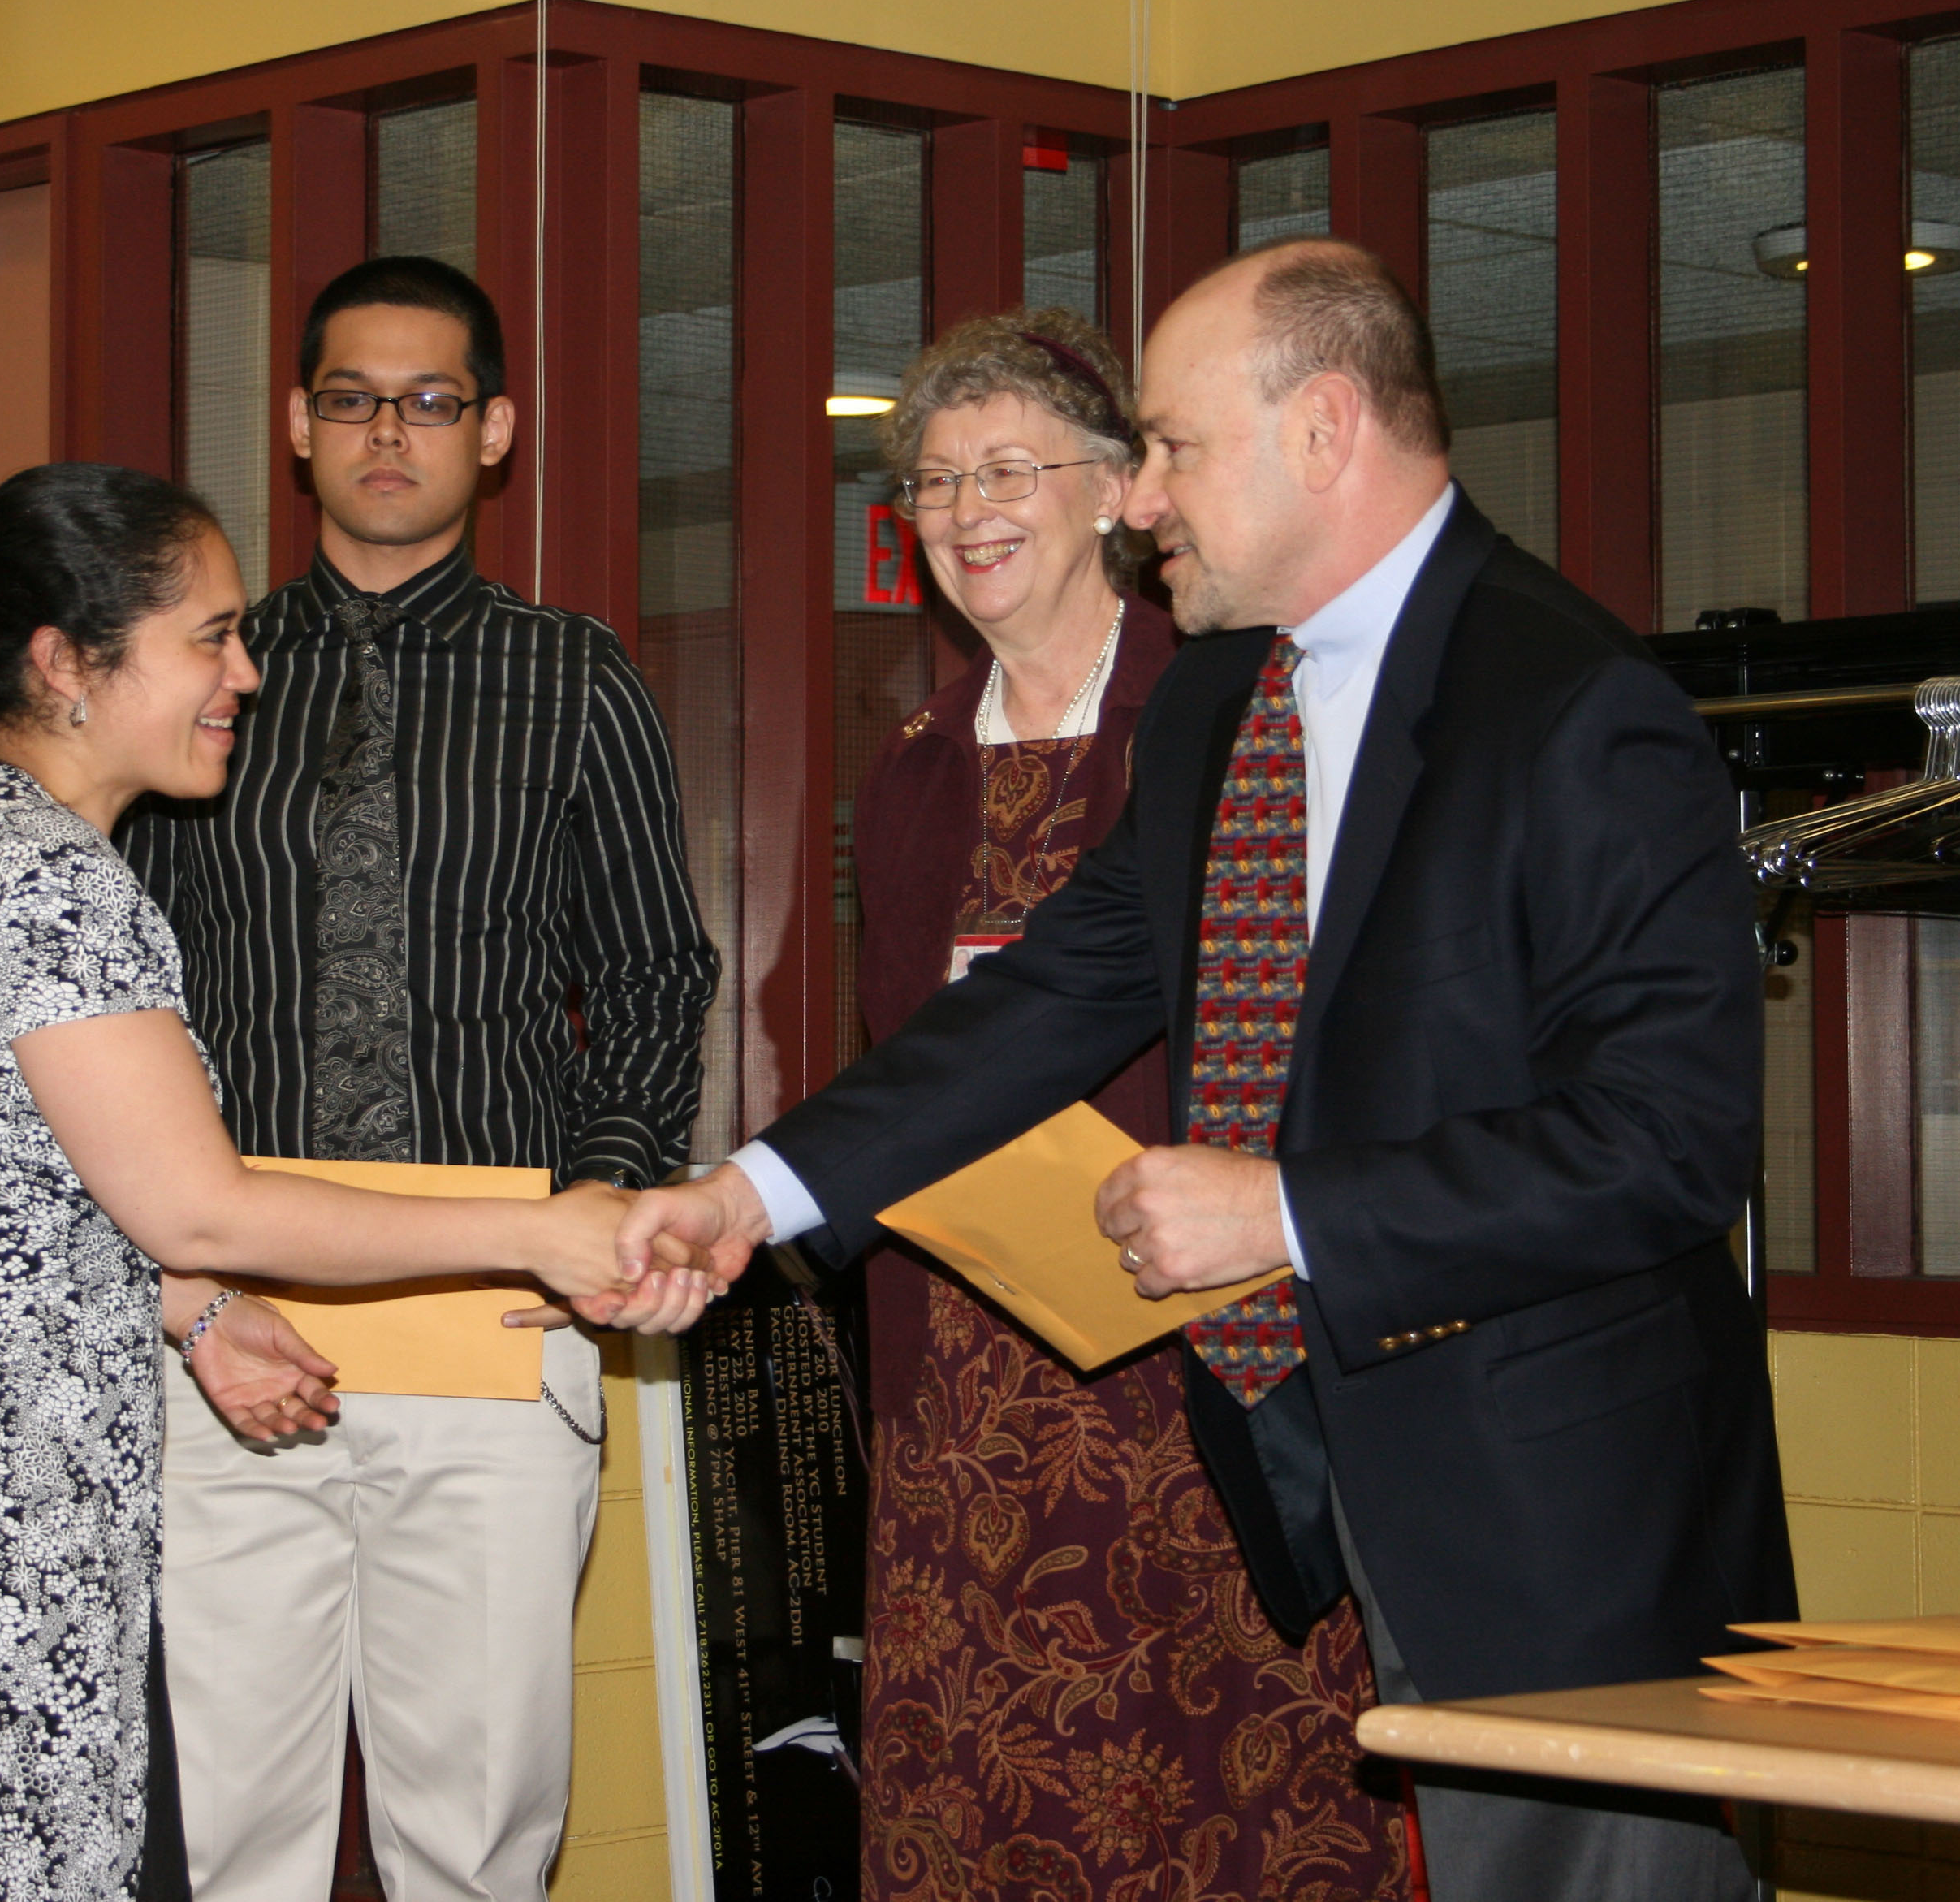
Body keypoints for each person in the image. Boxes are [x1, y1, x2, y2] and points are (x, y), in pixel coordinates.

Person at [597, 241, 1797, 1902]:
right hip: (1307, 1471)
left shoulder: (1574, 699)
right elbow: (1050, 995)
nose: (1144, 496)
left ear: (1323, 430)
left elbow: (1672, 1142)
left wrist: (1285, 1212)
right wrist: (753, 1196)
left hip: (1555, 1521)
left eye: (1172, 447)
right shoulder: (1228, 694)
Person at [0, 463, 710, 1902]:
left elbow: (33, 1200)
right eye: (208, 637)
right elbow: (197, 1204)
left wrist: (196, 1313)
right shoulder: (45, 880)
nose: (246, 675)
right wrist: (542, 1232)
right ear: (68, 664)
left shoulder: (7, 846)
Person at [119, 257, 719, 1902]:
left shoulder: (575, 677)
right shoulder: (204, 683)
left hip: (493, 1318)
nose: (389, 432)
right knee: (224, 1826)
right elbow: (126, 997)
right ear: (298, 425)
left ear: (495, 431)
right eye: (354, 399)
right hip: (231, 1327)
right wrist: (182, 1280)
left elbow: (654, 974)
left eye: (431, 400)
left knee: (474, 1828)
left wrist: (595, 1207)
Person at [848, 307, 1405, 1900]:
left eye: (1007, 469)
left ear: (1116, 489)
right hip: (962, 1369)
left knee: (1209, 1790)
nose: (966, 511)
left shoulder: (1236, 715)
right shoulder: (911, 768)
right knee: (981, 1789)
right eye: (935, 481)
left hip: (1198, 1352)